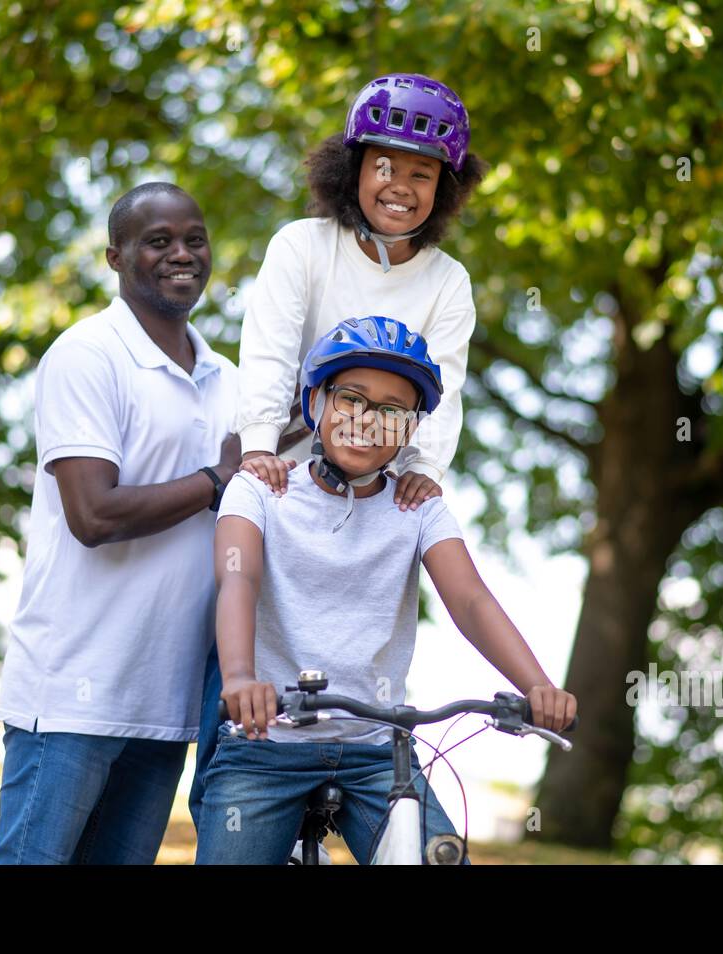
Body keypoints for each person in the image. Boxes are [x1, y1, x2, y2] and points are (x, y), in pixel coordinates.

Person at [188, 72, 490, 829]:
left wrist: (422, 473)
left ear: (443, 190)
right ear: (352, 169)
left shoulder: (447, 283)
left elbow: (444, 386)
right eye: (385, 165)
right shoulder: (304, 245)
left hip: (377, 478)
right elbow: (266, 350)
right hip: (284, 475)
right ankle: (232, 794)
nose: (400, 185)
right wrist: (260, 448)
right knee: (242, 632)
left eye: (422, 174)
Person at [193, 317, 576, 865]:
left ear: (411, 429)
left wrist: (537, 686)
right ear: (316, 402)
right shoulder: (261, 489)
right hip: (267, 747)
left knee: (438, 859)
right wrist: (238, 678)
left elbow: (471, 600)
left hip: (377, 750)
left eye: (394, 411)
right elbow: (238, 577)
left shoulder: (417, 508)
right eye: (352, 398)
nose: (369, 421)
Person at [0, 183, 241, 864]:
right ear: (115, 257)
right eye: (158, 241)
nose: (181, 253)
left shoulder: (231, 380)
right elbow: (92, 513)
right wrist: (216, 481)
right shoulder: (87, 355)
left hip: (166, 707)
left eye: (194, 238)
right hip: (71, 694)